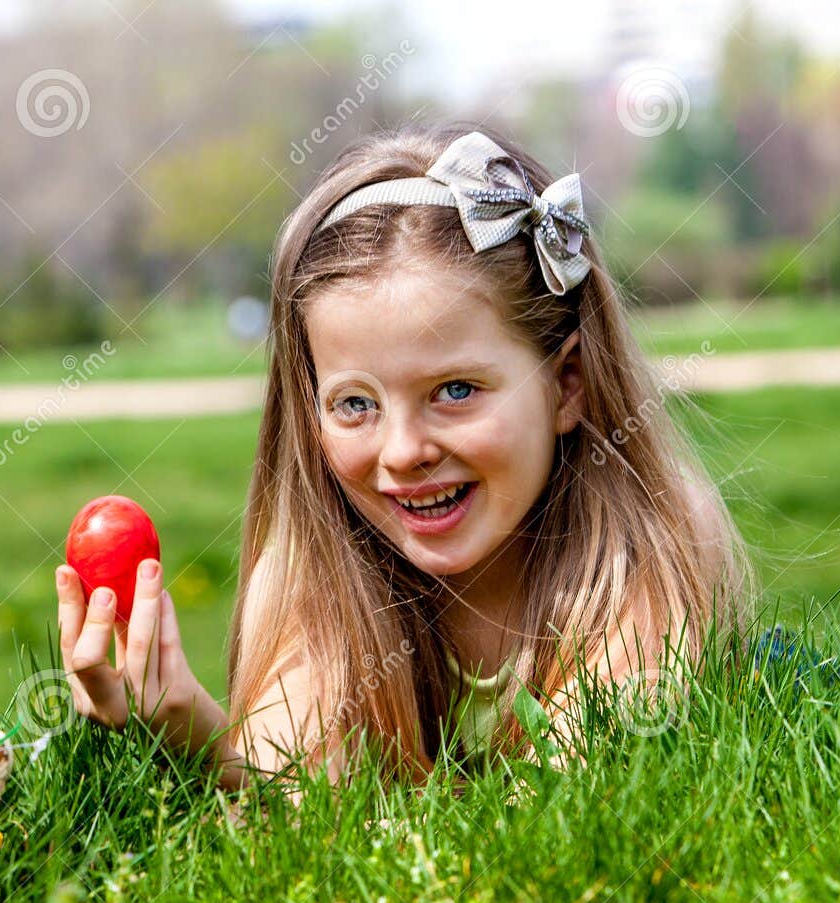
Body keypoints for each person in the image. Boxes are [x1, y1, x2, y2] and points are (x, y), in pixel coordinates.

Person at [55, 122, 751, 789]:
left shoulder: (648, 539)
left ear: (567, 384)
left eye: (454, 390)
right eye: (356, 405)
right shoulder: (319, 570)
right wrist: (203, 744)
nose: (404, 452)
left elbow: (564, 808)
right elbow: (301, 809)